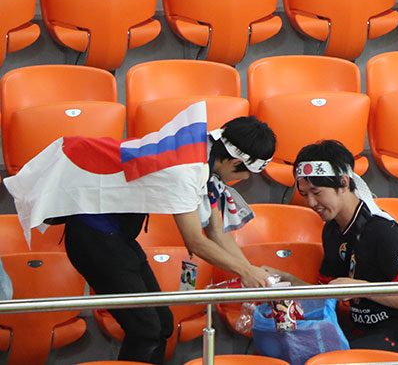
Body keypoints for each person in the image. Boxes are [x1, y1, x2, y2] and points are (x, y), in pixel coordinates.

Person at [4, 104, 277, 364]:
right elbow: (196, 241)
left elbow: (216, 230)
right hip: (94, 240)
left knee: (163, 325)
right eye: (247, 173)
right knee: (145, 330)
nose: (246, 179)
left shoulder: (204, 152)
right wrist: (245, 273)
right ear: (233, 161)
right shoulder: (184, 169)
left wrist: (251, 270)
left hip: (118, 237)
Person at [290, 140, 398, 360]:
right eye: (304, 194)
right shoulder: (331, 230)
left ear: (343, 182)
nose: (310, 202)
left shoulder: (382, 230)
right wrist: (283, 284)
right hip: (361, 333)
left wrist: (361, 287)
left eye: (317, 192)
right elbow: (326, 291)